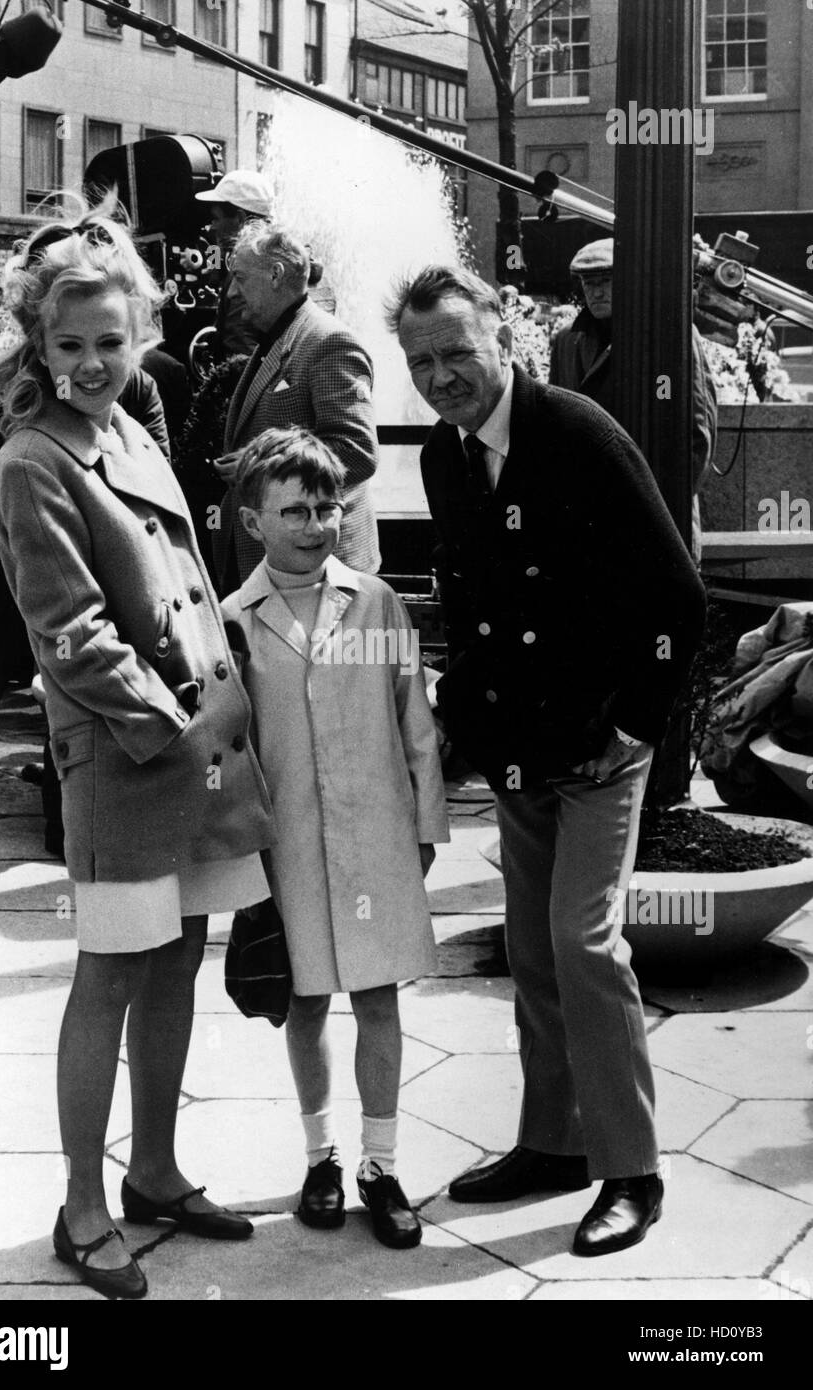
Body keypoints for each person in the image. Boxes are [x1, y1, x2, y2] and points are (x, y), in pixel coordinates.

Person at [0, 207, 275, 1300]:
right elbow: (70, 636)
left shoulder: (129, 432)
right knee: (108, 974)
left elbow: (186, 588)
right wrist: (183, 722)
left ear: (141, 332)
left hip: (196, 748)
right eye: (70, 346)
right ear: (38, 346)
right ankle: (81, 1202)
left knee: (176, 960)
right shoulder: (32, 459)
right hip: (124, 758)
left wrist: (226, 702)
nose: (93, 362)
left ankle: (153, 1170)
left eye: (111, 340)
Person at [389, 265, 706, 1257]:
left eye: (456, 352)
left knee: (580, 942)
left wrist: (633, 728)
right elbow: (476, 602)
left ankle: (630, 1170)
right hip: (518, 748)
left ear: (502, 342)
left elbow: (675, 596)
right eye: (421, 360)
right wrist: (461, 726)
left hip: (599, 747)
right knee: (529, 949)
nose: (441, 375)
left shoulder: (575, 432)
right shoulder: (445, 459)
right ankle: (551, 1141)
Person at [221, 426, 449, 1248]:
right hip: (291, 843)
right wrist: (241, 851)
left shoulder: (377, 601)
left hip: (376, 832)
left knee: (379, 995)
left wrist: (426, 824)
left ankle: (381, 1165)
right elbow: (234, 744)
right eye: (295, 511)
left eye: (327, 508)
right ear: (255, 522)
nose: (316, 526)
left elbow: (414, 718)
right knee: (306, 997)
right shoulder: (234, 621)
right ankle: (320, 1155)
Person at [0, 363, 173, 874]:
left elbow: (157, 472)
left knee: (69, 688)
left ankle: (63, 823)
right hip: (4, 560)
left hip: (91, 568)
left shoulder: (135, 382)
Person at [214, 223, 380, 592]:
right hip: (296, 564)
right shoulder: (283, 335)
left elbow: (357, 452)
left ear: (275, 275)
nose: (233, 291)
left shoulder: (327, 341)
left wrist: (255, 467)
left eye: (240, 277)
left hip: (320, 568)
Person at [549, 236, 717, 564]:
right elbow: (554, 427)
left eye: (606, 282)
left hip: (659, 514)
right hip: (589, 519)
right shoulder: (566, 341)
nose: (595, 292)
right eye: (588, 283)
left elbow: (698, 434)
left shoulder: (672, 335)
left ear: (628, 282)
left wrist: (664, 506)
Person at [195, 169, 274, 363]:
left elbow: (240, 351)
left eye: (217, 218)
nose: (213, 226)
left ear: (239, 219)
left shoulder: (247, 271)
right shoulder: (277, 257)